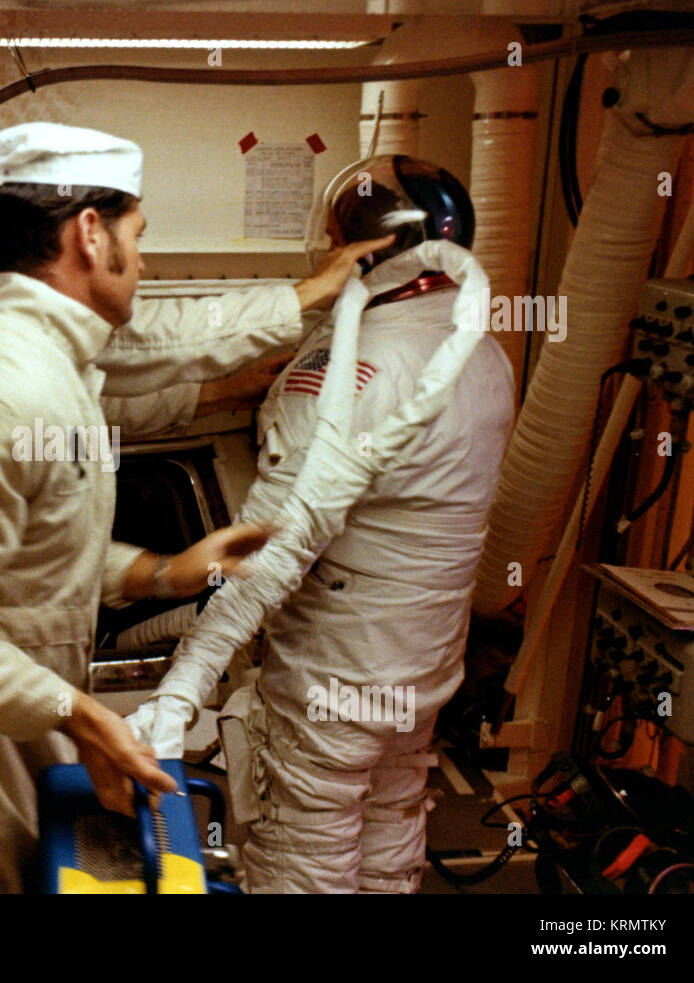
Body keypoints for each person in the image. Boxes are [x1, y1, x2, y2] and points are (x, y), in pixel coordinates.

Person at [0, 122, 391, 893]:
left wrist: (160, 572)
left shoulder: (47, 361)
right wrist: (77, 712)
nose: (146, 259)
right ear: (91, 234)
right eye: (139, 234)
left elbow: (24, 554)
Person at [128, 154, 517, 893]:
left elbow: (269, 555)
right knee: (390, 845)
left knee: (304, 867)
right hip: (419, 672)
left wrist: (181, 688)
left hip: (332, 683)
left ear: (363, 249)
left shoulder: (356, 370)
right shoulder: (485, 355)